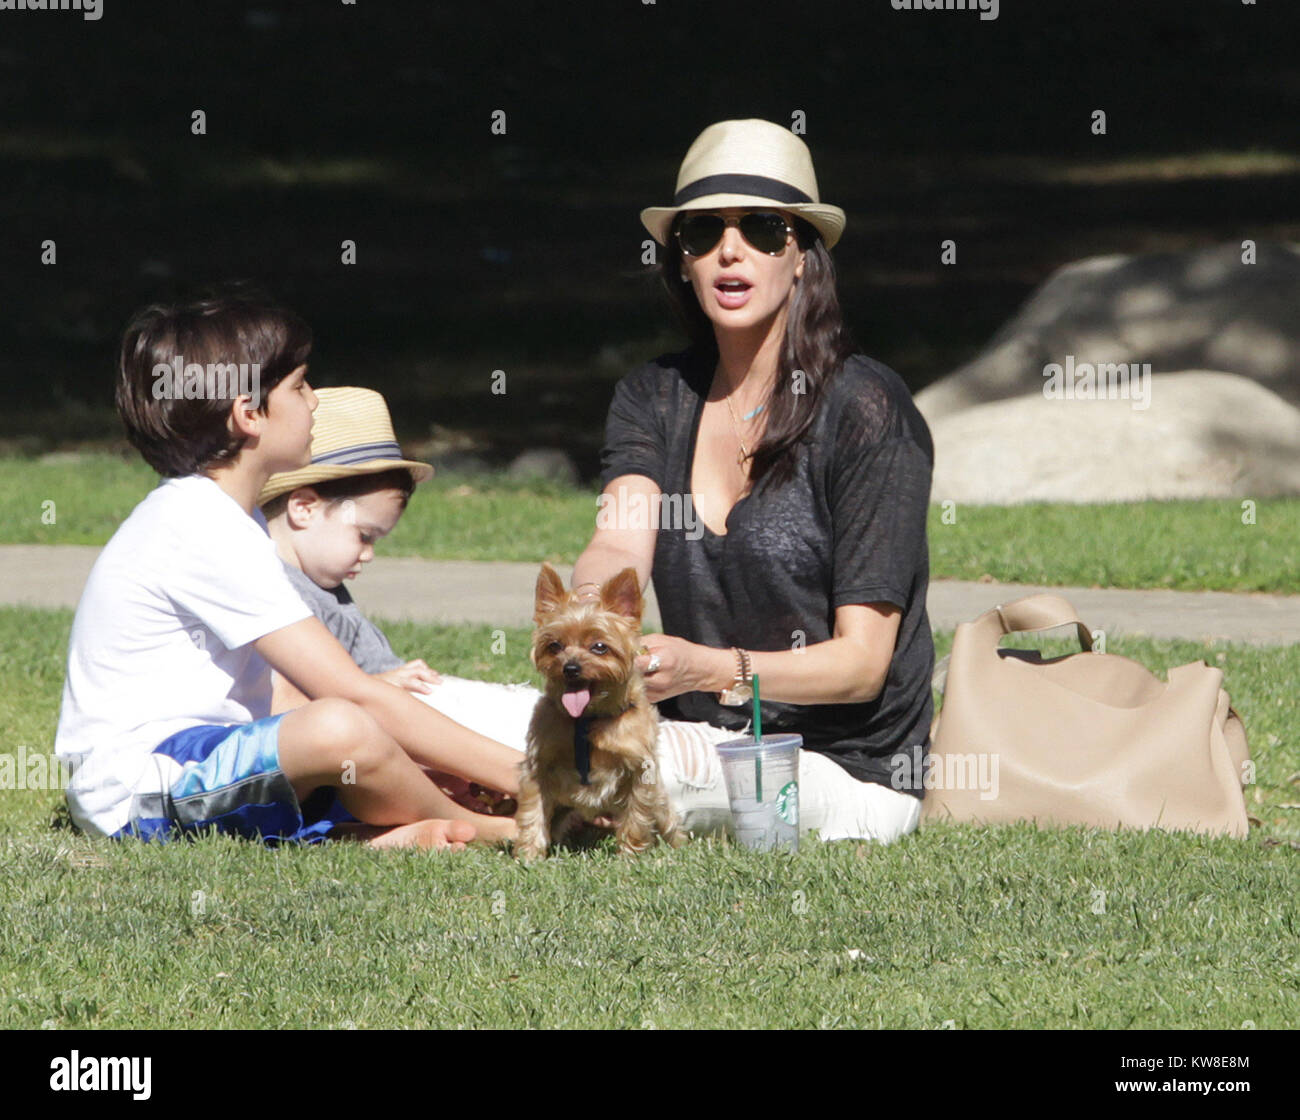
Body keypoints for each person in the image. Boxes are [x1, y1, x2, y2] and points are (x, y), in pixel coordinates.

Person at [570, 119, 937, 843]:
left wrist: (711, 669)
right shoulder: (654, 396)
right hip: (689, 734)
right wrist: (590, 619)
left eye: (763, 228)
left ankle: (464, 812)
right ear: (680, 259)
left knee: (595, 762)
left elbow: (862, 666)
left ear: (802, 255)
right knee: (489, 718)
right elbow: (618, 538)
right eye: (702, 231)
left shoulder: (867, 409)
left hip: (840, 766)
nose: (729, 250)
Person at [54, 290, 521, 850]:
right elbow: (352, 699)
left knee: (346, 729)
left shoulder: (227, 515)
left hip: (207, 761)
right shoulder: (198, 522)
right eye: (300, 386)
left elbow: (276, 696)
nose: (315, 403)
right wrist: (527, 773)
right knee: (341, 727)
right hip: (140, 793)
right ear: (249, 414)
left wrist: (408, 760)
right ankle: (494, 829)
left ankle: (379, 830)